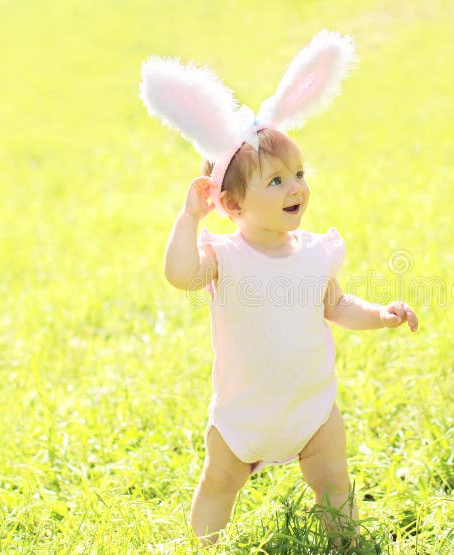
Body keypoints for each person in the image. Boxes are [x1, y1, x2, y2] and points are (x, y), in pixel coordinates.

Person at [141, 30, 418, 548]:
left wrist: (381, 313)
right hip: (245, 413)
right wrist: (188, 219)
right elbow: (180, 276)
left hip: (311, 406)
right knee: (220, 482)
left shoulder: (314, 252)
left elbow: (335, 304)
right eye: (276, 181)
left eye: (298, 174)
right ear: (232, 204)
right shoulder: (224, 256)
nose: (296, 187)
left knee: (334, 481)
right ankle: (203, 544)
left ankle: (344, 542)